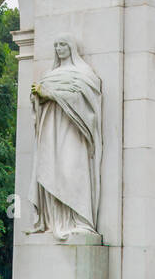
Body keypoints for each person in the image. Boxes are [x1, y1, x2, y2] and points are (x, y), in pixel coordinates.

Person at [28, 35, 103, 240]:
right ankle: (52, 221)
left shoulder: (83, 74)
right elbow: (39, 100)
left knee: (72, 170)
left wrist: (52, 94)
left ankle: (79, 220)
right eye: (56, 45)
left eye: (63, 45)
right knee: (51, 170)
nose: (59, 49)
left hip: (72, 129)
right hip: (50, 127)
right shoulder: (50, 74)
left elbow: (87, 102)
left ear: (71, 48)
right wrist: (38, 96)